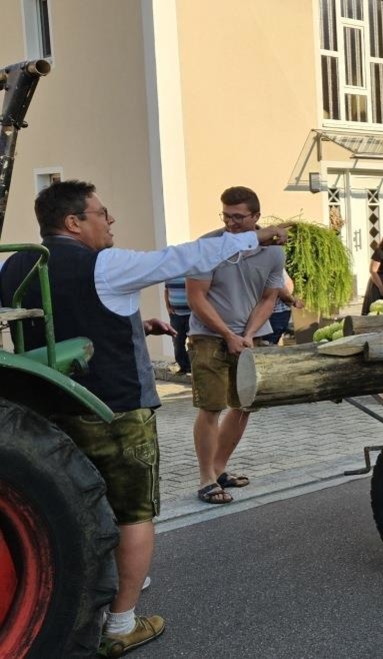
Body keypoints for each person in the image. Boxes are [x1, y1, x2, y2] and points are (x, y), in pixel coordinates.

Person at [0, 180, 288, 654]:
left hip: (52, 409)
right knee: (134, 513)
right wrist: (257, 236)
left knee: (83, 503)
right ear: (74, 222)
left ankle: (104, 585)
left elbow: (64, 316)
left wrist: (137, 322)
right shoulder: (106, 264)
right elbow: (184, 258)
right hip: (116, 408)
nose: (109, 220)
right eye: (101, 212)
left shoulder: (18, 264)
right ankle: (121, 625)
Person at [187, 186, 285, 505]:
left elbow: (270, 298)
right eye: (226, 216)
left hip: (246, 337)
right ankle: (205, 479)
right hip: (208, 336)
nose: (231, 223)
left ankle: (219, 468)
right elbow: (196, 297)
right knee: (211, 406)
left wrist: (247, 334)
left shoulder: (273, 251)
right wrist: (228, 335)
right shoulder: (207, 245)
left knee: (243, 406)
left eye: (239, 217)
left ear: (256, 217)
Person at [260, 269, 303, 346]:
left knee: (268, 344)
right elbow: (282, 288)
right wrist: (293, 302)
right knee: (268, 345)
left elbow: (282, 287)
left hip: (274, 313)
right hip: (275, 314)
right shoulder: (269, 263)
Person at [163, 276, 191, 374]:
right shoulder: (170, 275)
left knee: (194, 343)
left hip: (191, 315)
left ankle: (193, 367)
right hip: (175, 316)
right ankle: (184, 367)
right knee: (177, 343)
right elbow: (166, 291)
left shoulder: (189, 273)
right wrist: (168, 308)